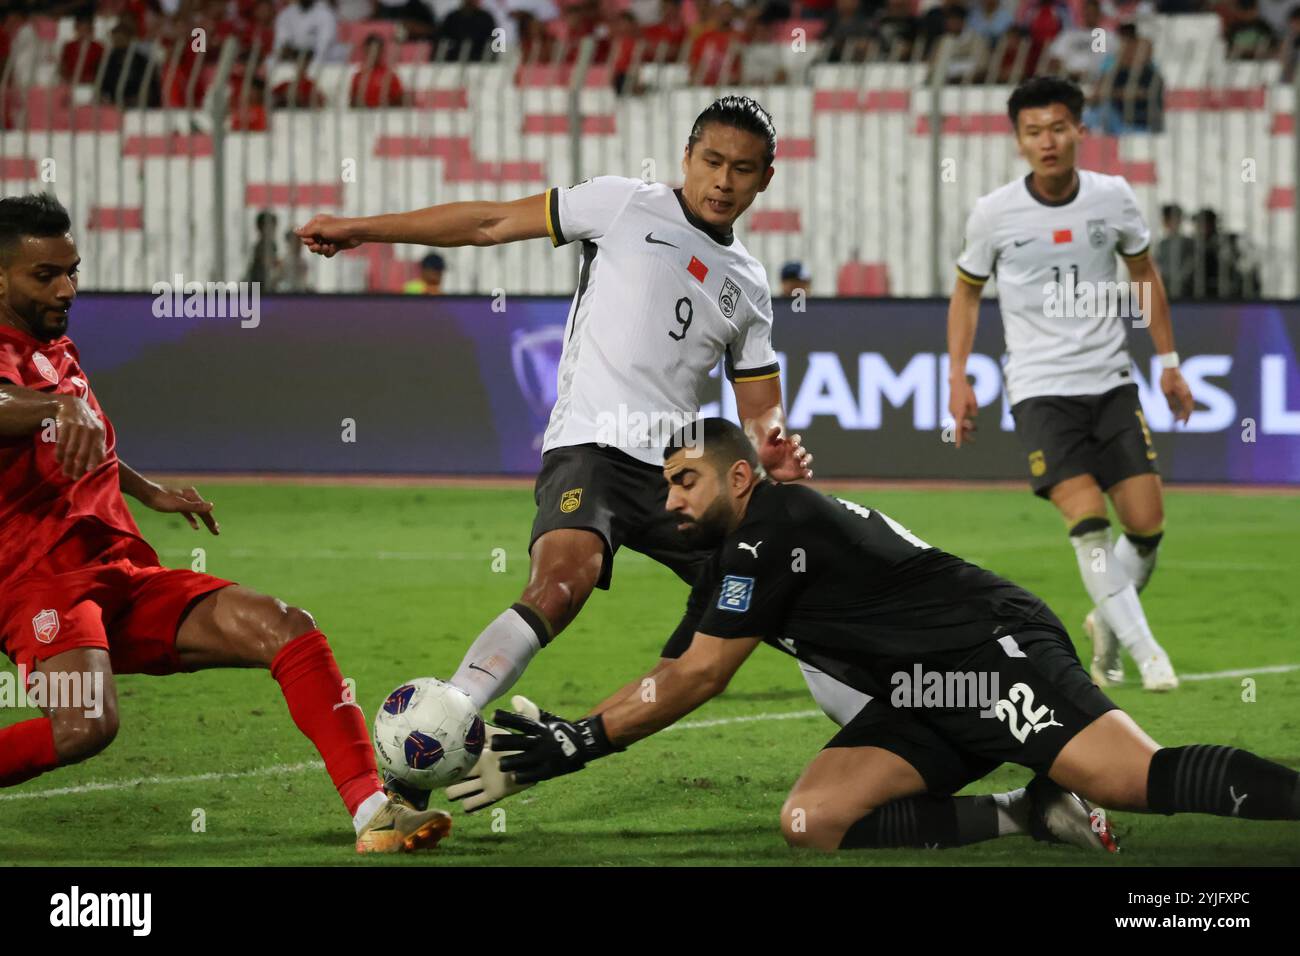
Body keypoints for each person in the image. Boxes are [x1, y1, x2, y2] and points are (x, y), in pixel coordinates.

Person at [297, 96, 815, 808]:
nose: (723, 180)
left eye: (743, 169)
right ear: (688, 157)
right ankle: (432, 744)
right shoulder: (621, 205)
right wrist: (362, 229)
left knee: (788, 600)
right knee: (564, 580)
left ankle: (896, 729)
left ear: (766, 179)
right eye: (713, 161)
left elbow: (760, 413)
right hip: (593, 450)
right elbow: (487, 221)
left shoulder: (749, 285)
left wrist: (774, 451)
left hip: (682, 479)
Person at [487, 419, 1300, 852]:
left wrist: (581, 744)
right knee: (813, 821)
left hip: (987, 653)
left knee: (1131, 778)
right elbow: (670, 669)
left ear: (740, 477)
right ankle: (1028, 811)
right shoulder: (730, 559)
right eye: (665, 486)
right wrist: (570, 731)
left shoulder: (778, 520)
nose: (670, 502)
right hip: (922, 693)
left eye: (686, 481)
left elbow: (700, 678)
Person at [0, 194, 446, 853]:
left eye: (73, 269)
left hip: (119, 571)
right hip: (42, 584)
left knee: (288, 628)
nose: (67, 287)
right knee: (85, 725)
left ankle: (374, 813)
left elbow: (69, 437)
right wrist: (52, 408)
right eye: (46, 275)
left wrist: (146, 490)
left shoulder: (52, 343)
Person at [947, 76, 1194, 693]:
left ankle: (1107, 624)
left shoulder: (1113, 198)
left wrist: (1168, 360)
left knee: (1147, 524)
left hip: (1111, 383)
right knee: (1088, 523)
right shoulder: (995, 213)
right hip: (1039, 390)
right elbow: (966, 294)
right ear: (1019, 140)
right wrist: (958, 376)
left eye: (1058, 128)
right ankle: (1148, 653)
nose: (1047, 141)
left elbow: (1145, 276)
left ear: (1080, 130)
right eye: (1034, 132)